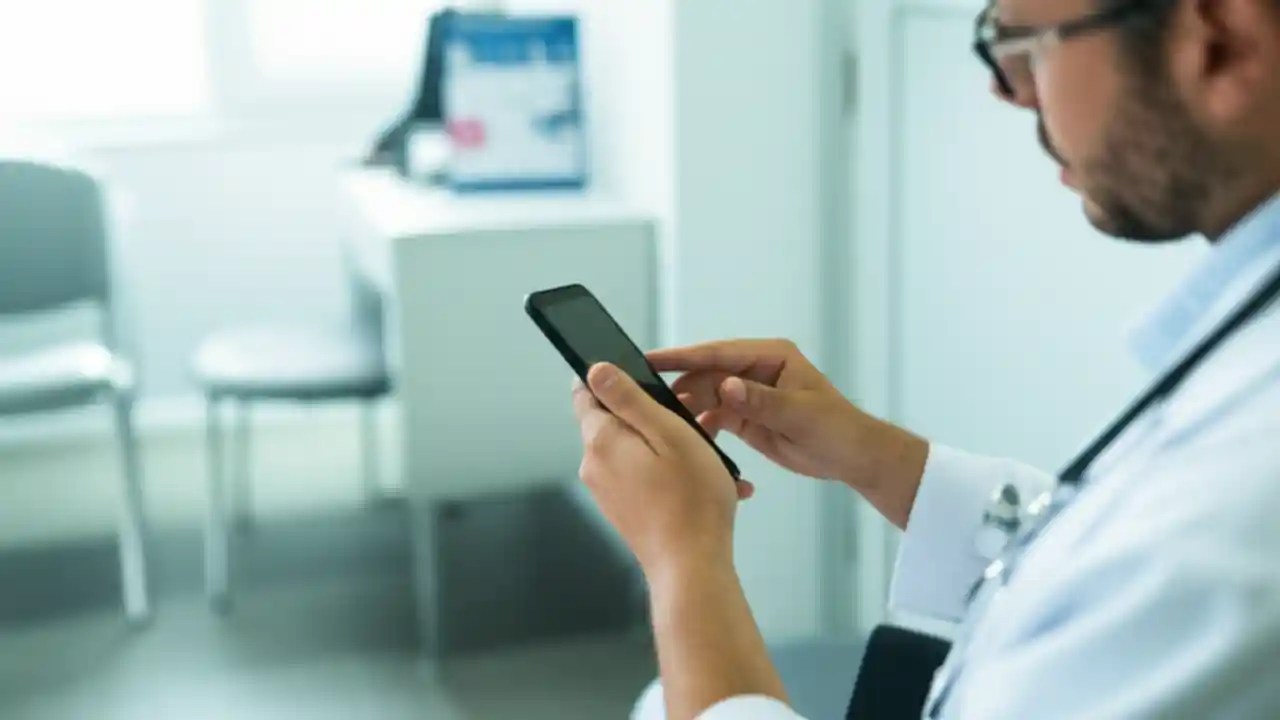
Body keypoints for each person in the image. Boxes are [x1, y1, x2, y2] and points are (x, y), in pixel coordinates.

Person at [570, 0, 1280, 717]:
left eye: (1027, 44)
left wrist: (683, 559)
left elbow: (1148, 580)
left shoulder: (1241, 503)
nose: (1009, 91)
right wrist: (878, 457)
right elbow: (1113, 556)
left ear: (1222, 41)